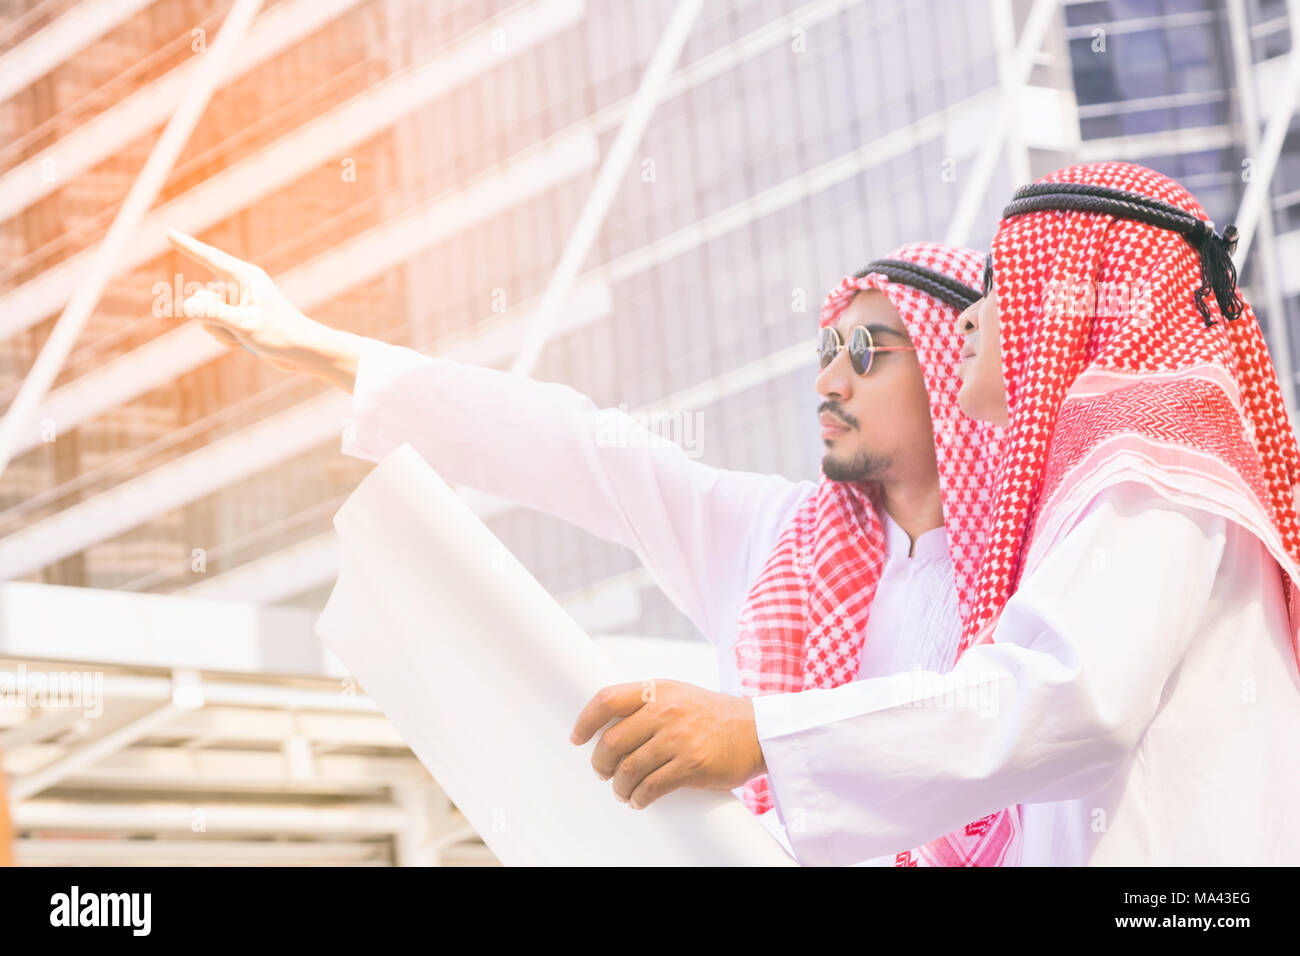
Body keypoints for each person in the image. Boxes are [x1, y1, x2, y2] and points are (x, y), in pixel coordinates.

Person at [166, 229, 1005, 864]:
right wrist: (310, 345)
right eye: (826, 350)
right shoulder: (773, 538)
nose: (829, 380)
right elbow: (578, 448)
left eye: (864, 352)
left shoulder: (1029, 576)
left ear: (946, 362)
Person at [573, 161, 1300, 866]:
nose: (970, 316)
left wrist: (761, 736)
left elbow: (1065, 695)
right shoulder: (1118, 478)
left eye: (997, 280)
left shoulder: (1155, 461)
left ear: (1076, 290)